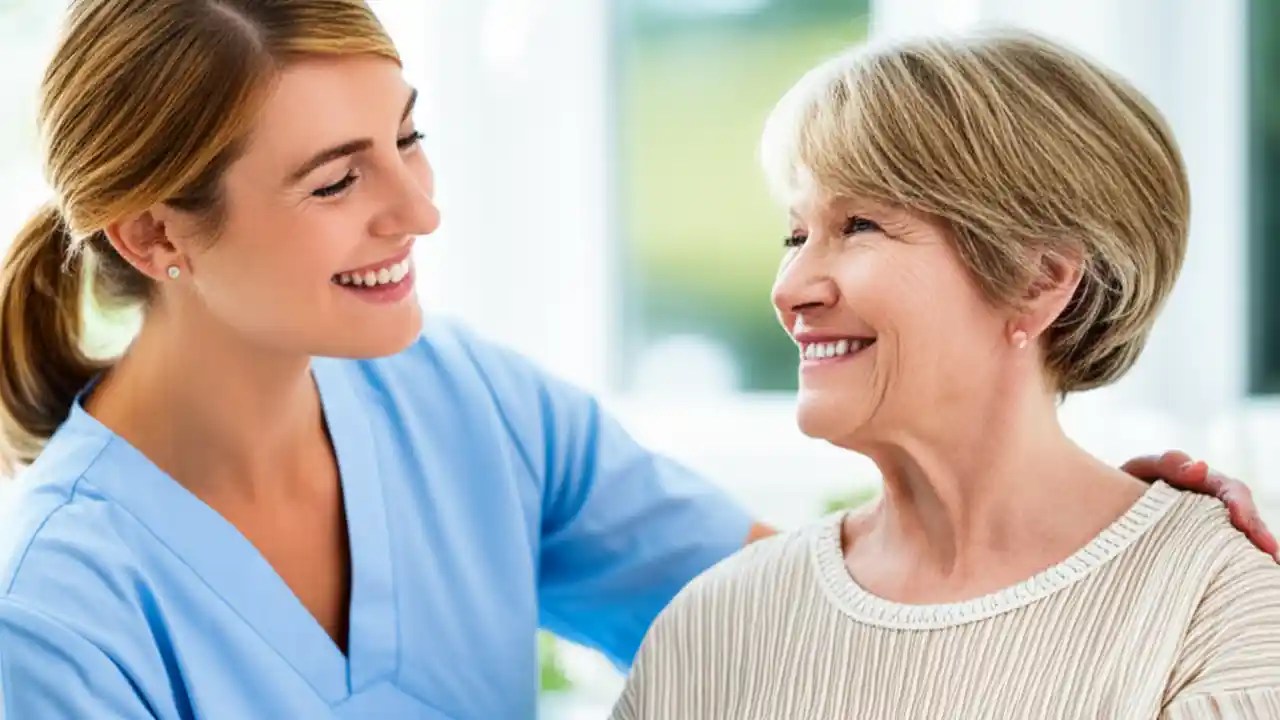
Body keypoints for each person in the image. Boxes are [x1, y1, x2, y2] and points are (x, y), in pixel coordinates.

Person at [0, 3, 1267, 718]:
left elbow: (828, 626)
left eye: (409, 140)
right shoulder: (57, 617)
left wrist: (1092, 537)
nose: (420, 210)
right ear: (155, 236)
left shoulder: (459, 404)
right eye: (336, 182)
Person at [612, 31, 1280, 720]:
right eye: (796, 236)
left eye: (859, 225)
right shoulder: (714, 624)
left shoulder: (1215, 608)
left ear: (1038, 280)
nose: (790, 289)